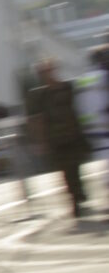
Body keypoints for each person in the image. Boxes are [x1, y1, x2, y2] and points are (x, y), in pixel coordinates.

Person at [25, 57, 92, 223]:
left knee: (75, 167)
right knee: (66, 172)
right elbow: (36, 119)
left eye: (48, 70)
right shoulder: (39, 95)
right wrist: (40, 142)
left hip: (74, 135)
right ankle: (74, 199)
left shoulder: (68, 87)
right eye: (42, 72)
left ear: (54, 70)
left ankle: (78, 193)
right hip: (55, 139)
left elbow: (80, 108)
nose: (45, 74)